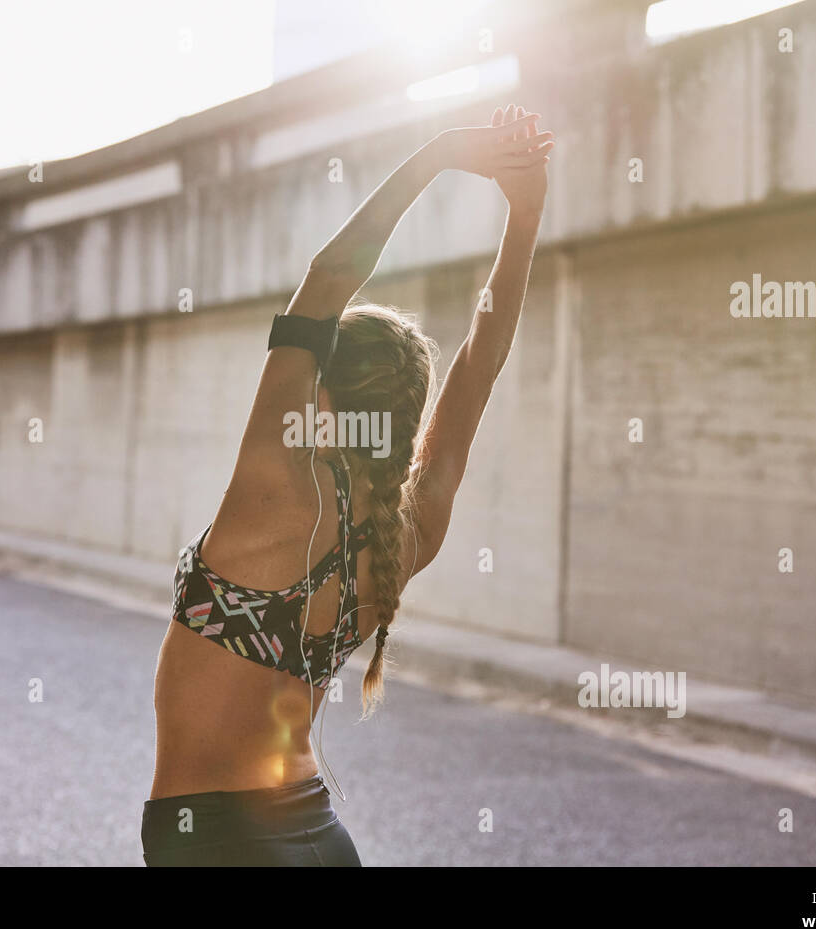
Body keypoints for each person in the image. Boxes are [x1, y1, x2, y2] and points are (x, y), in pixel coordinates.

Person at [143, 104, 553, 866]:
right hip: (320, 841)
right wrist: (524, 220)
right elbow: (479, 364)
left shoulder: (275, 482)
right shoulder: (410, 530)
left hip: (220, 844)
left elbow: (329, 275)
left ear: (321, 392)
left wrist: (434, 156)